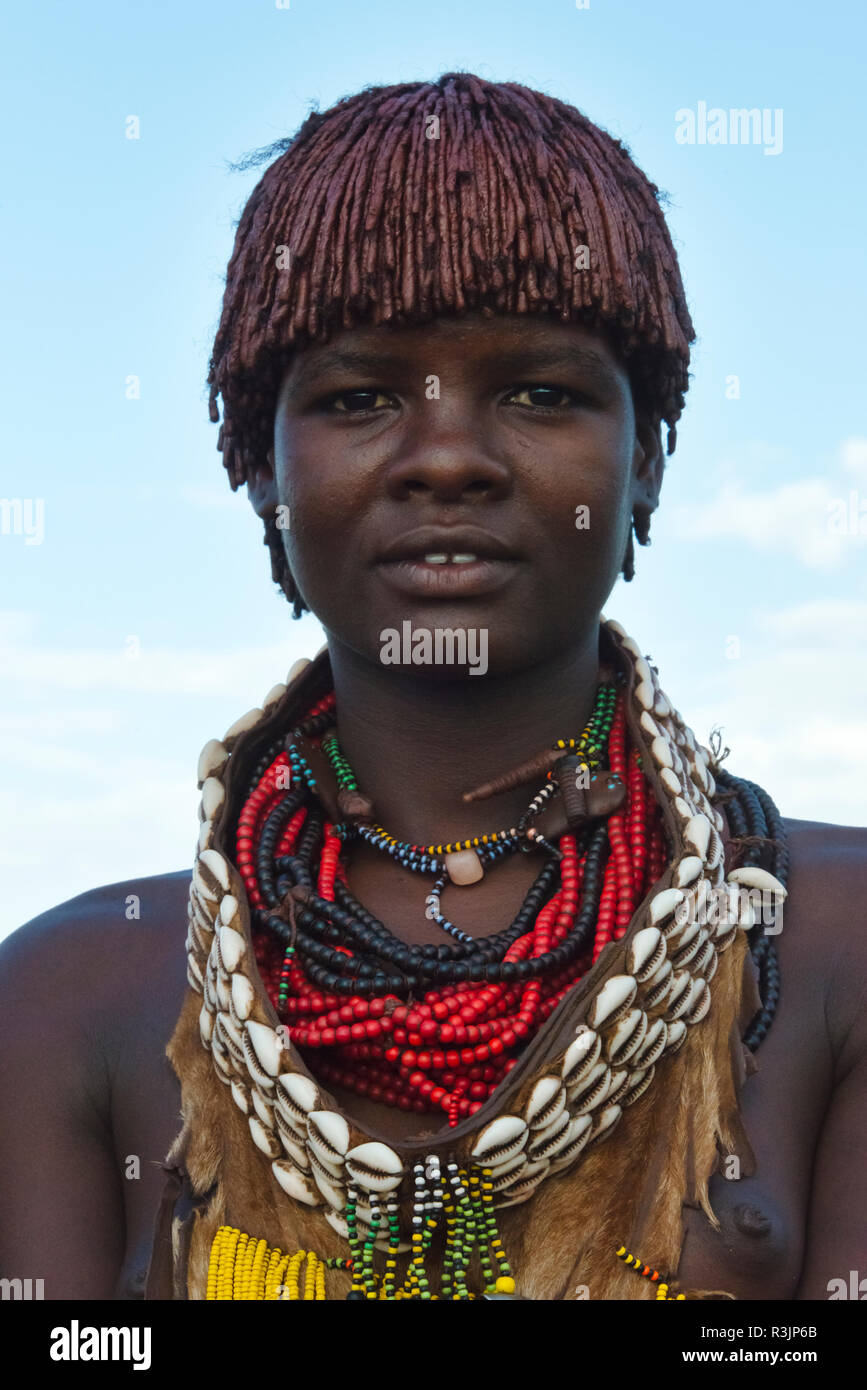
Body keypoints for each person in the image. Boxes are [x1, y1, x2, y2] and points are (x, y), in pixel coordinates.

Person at [1, 73, 865, 1302]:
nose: (448, 454)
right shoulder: (68, 998)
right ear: (260, 464)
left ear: (648, 463)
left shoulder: (830, 944)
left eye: (539, 393)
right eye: (359, 398)